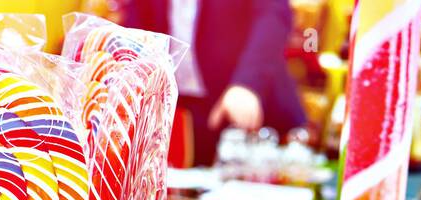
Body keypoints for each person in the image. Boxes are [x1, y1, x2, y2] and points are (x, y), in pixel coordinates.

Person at [120, 0, 306, 165]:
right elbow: (135, 28)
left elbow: (273, 14)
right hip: (178, 118)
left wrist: (247, 84)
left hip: (249, 116)